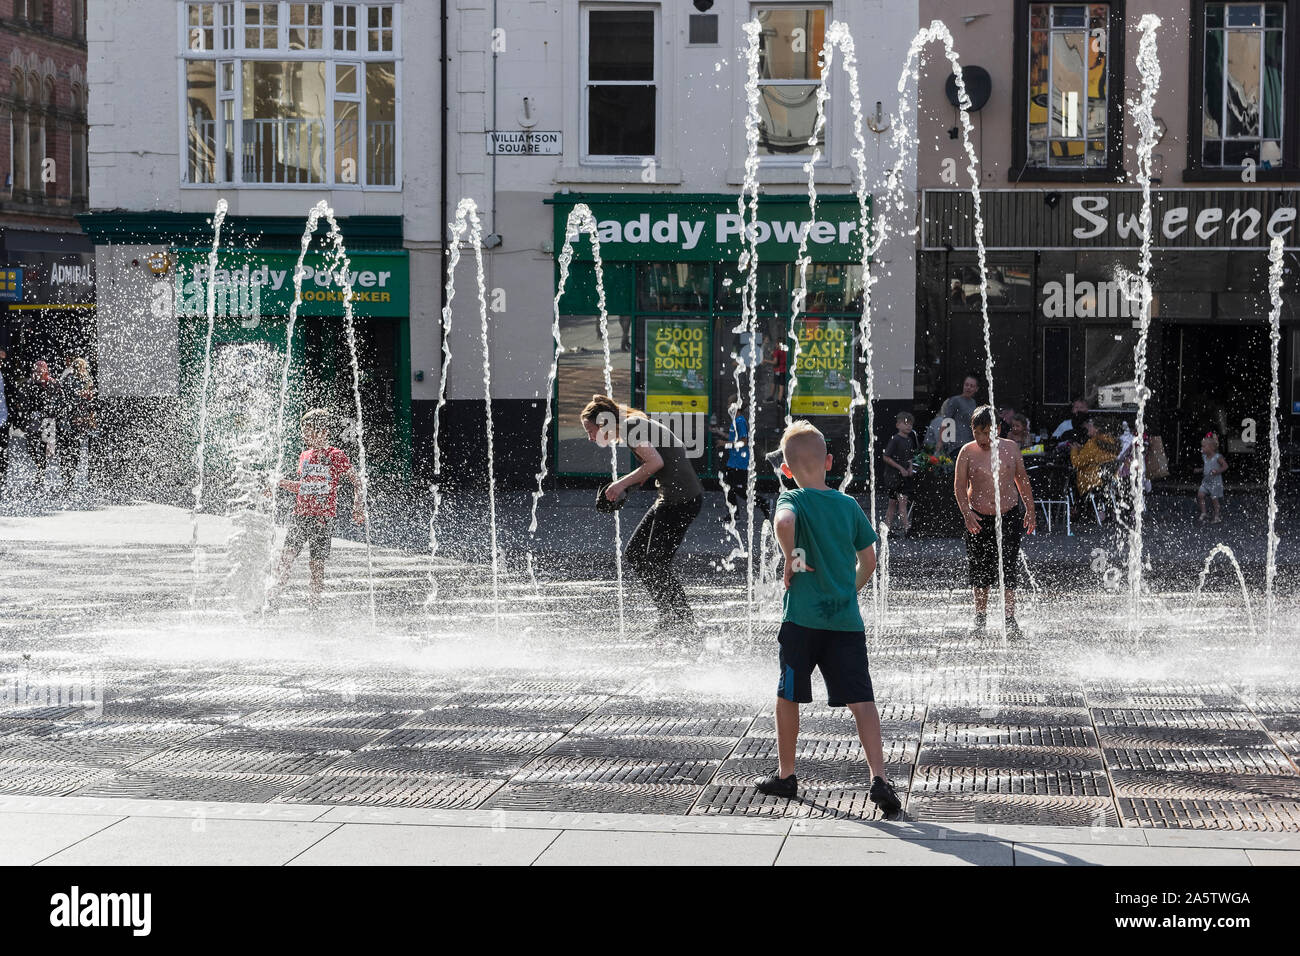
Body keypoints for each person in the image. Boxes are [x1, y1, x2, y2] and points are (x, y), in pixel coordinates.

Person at [755, 419, 902, 816]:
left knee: (788, 696)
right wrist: (847, 591)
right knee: (862, 700)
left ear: (786, 470)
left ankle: (787, 775)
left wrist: (790, 556)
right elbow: (869, 561)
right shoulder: (848, 505)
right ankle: (879, 778)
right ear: (830, 462)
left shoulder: (792, 500)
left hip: (801, 621)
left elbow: (783, 524)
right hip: (844, 623)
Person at [581, 394, 704, 637]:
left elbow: (655, 462)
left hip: (681, 501)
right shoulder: (632, 425)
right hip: (671, 498)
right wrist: (624, 488)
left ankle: (685, 623)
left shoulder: (630, 427)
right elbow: (653, 466)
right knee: (637, 554)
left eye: (590, 429)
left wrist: (619, 485)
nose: (590, 436)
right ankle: (671, 616)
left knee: (656, 562)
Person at [267, 408, 365, 610]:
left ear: (322, 431)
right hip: (300, 516)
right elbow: (303, 487)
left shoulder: (336, 455)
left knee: (316, 565)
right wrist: (280, 483)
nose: (303, 435)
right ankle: (273, 600)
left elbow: (357, 482)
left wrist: (358, 505)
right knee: (285, 558)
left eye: (307, 430)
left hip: (322, 518)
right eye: (303, 430)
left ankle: (313, 605)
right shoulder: (304, 455)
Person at [953, 406, 1036, 638]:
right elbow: (959, 486)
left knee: (1008, 567)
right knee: (980, 569)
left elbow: (1022, 480)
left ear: (997, 429)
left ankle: (1010, 619)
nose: (982, 438)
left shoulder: (1010, 448)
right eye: (977, 432)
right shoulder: (967, 452)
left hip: (1008, 515)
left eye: (987, 432)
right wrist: (966, 514)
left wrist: (1030, 509)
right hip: (978, 517)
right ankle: (980, 618)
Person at [719, 404, 771, 523]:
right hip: (732, 462)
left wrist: (725, 444)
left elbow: (743, 442)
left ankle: (763, 503)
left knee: (739, 490)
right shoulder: (736, 421)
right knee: (729, 487)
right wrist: (720, 433)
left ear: (737, 409)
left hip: (740, 463)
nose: (728, 409)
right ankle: (734, 513)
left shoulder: (740, 421)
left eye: (730, 406)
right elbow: (733, 438)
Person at [17, 360, 60, 497]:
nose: (39, 372)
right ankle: (39, 466)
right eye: (36, 369)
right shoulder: (29, 383)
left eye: (41, 369)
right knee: (30, 445)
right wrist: (23, 417)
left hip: (48, 419)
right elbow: (23, 400)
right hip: (33, 418)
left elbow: (59, 399)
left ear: (46, 370)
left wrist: (55, 413)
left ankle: (41, 473)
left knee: (44, 448)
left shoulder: (52, 383)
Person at [881, 411, 918, 536]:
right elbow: (886, 457)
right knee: (898, 502)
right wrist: (900, 468)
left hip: (903, 476)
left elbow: (910, 457)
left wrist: (910, 468)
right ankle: (906, 529)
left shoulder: (909, 440)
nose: (908, 426)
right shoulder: (895, 439)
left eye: (910, 424)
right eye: (905, 423)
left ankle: (887, 528)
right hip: (894, 477)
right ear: (898, 425)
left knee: (896, 502)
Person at [1068, 417, 1119, 499]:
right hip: (1109, 484)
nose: (1087, 427)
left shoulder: (1093, 444)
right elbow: (1096, 456)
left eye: (1090, 425)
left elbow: (1076, 462)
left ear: (1097, 429)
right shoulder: (1111, 441)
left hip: (1091, 484)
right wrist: (1082, 449)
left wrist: (1074, 450)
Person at [938, 374, 980, 453]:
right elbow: (946, 421)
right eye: (966, 385)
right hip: (956, 443)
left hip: (970, 442)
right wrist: (940, 441)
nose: (968, 388)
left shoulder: (973, 403)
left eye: (972, 386)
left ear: (976, 389)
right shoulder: (955, 401)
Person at [1198, 432, 1227, 525]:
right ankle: (1204, 512)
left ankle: (1217, 516)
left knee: (1214, 499)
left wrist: (1218, 471)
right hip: (1206, 482)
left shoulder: (1217, 457)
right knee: (1200, 495)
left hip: (1215, 482)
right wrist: (1200, 470)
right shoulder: (1204, 457)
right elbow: (1207, 466)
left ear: (1211, 448)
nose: (1202, 449)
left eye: (1204, 447)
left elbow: (1225, 466)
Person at [0, 349, 12, 496]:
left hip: (3, 419)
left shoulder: (6, 374)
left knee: (3, 451)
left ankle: (2, 478)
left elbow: (11, 393)